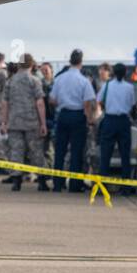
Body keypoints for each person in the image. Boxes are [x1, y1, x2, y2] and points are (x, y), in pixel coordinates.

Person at [49, 49, 97, 192]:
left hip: (63, 115)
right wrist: (89, 119)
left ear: (70, 61)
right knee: (77, 152)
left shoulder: (59, 78)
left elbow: (52, 99)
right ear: (81, 62)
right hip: (78, 117)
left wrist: (61, 106)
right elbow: (88, 103)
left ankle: (57, 184)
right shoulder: (84, 81)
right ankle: (74, 185)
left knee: (60, 152)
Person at [1, 53, 49, 191]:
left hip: (14, 122)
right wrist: (43, 123)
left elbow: (5, 103)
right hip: (32, 122)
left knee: (16, 152)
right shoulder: (34, 81)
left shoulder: (10, 81)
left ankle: (16, 181)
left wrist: (4, 122)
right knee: (36, 152)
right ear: (32, 64)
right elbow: (40, 103)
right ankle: (42, 182)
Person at [96, 62, 137, 193]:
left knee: (105, 155)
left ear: (113, 72)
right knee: (125, 155)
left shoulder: (107, 85)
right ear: (125, 73)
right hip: (123, 121)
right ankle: (126, 187)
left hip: (109, 120)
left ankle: (102, 186)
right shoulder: (129, 87)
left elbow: (99, 100)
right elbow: (132, 104)